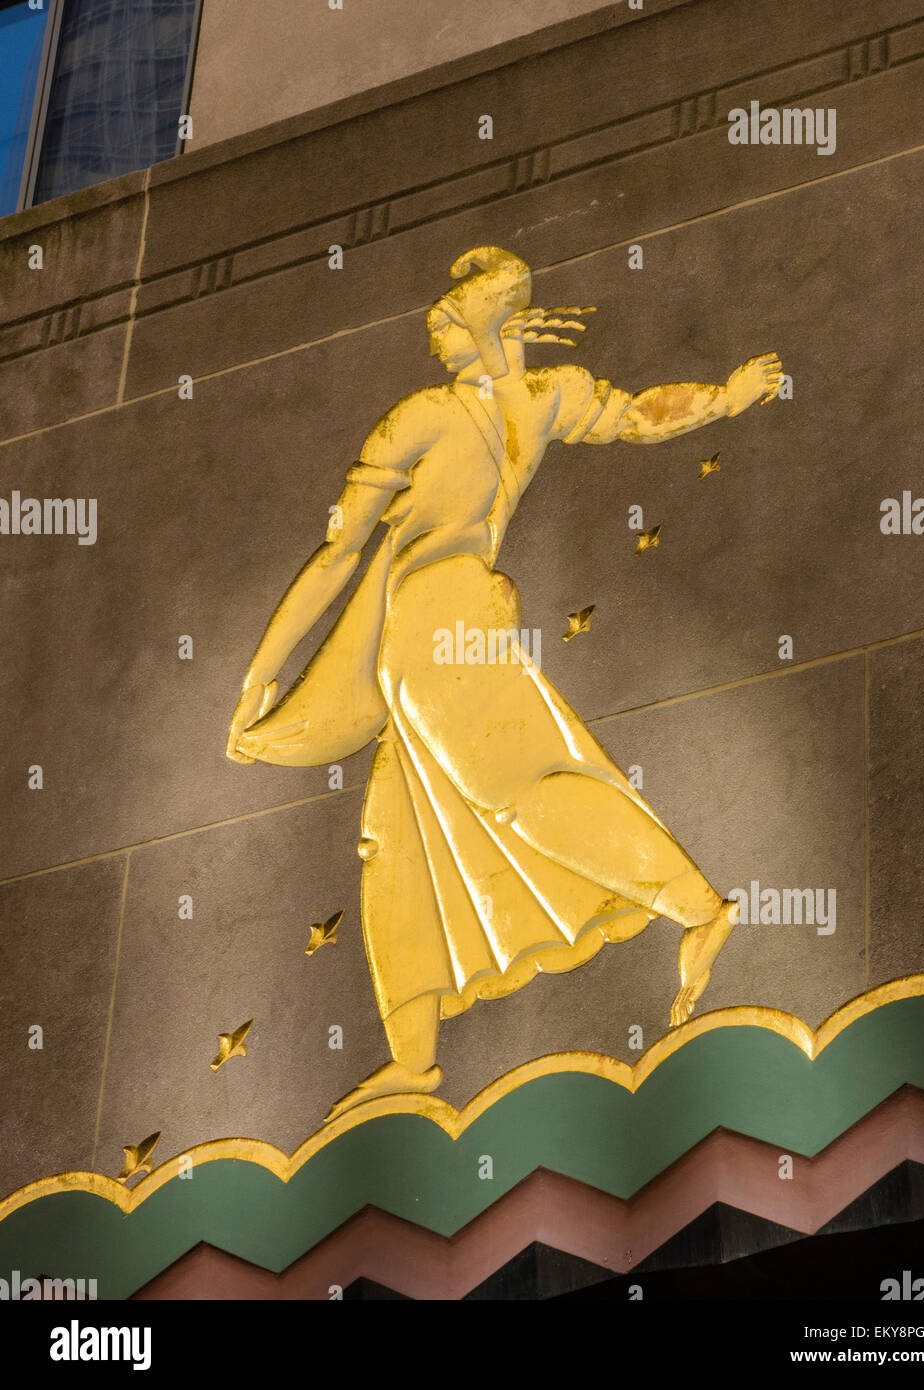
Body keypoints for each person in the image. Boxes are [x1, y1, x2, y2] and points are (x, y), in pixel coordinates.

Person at [226, 246, 784, 1119]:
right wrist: (726, 397)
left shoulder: (421, 418)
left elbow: (339, 553)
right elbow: (641, 414)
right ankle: (412, 1059)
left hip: (432, 621)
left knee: (512, 787)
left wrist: (262, 678)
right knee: (394, 835)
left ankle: (695, 905)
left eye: (446, 329)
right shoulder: (547, 397)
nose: (437, 343)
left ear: (488, 327)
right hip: (444, 621)